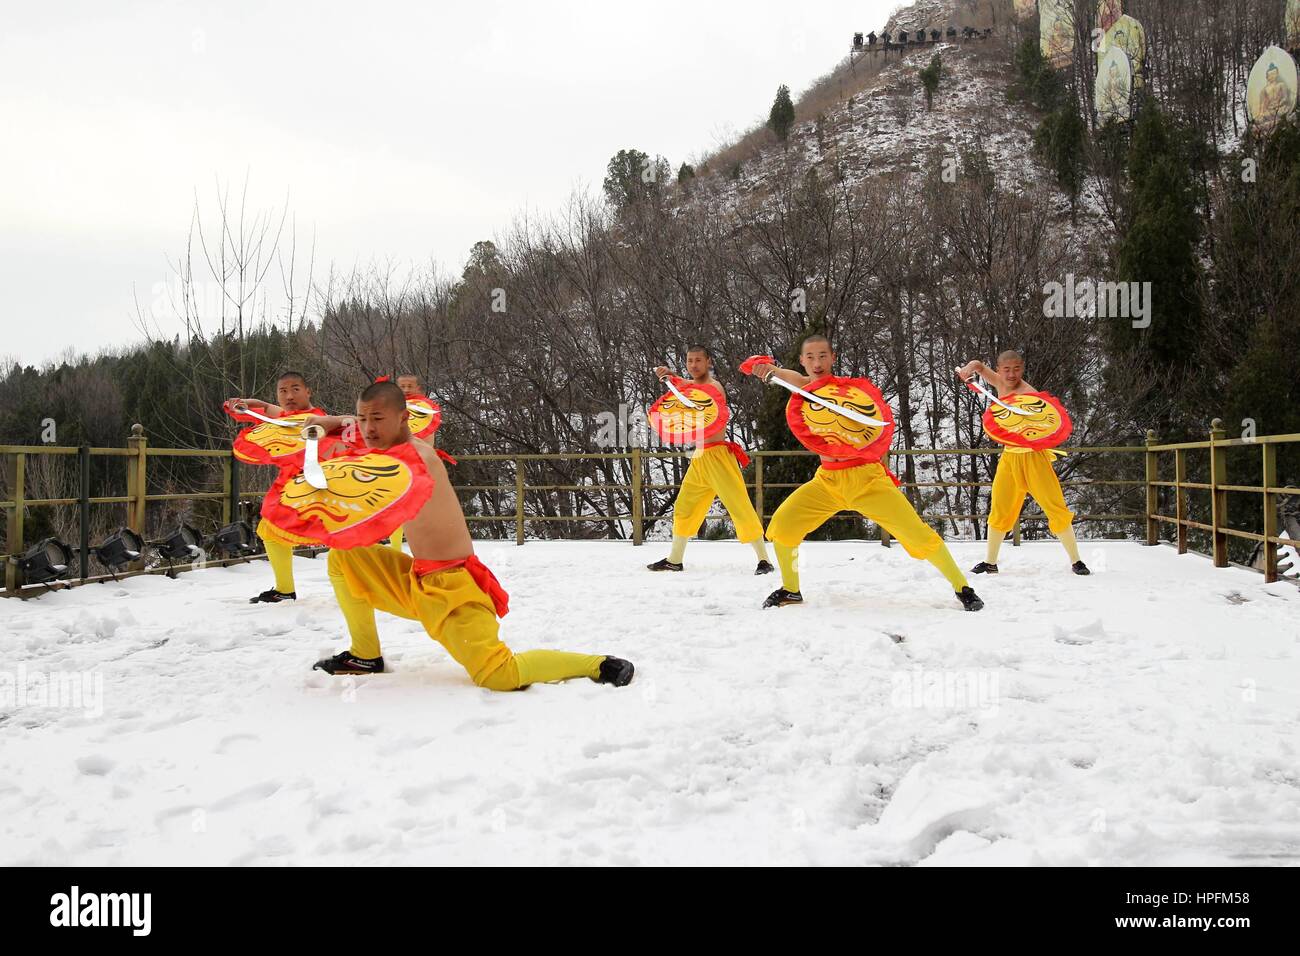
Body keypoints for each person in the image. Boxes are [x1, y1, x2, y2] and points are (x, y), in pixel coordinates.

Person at [304, 380, 634, 688]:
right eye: (363, 419)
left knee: (500, 675)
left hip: (452, 588)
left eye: (376, 418)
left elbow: (367, 488)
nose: (368, 428)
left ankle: (598, 664)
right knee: (343, 558)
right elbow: (361, 431)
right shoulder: (390, 441)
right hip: (416, 581)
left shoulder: (413, 457)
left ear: (403, 418)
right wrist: (335, 422)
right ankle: (365, 655)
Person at [750, 336, 984, 611]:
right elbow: (785, 375)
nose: (817, 362)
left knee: (917, 534)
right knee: (784, 526)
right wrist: (768, 369)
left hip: (867, 478)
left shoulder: (847, 392)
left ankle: (962, 587)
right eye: (810, 357)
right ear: (802, 361)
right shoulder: (804, 388)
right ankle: (790, 589)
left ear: (833, 357)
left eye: (823, 355)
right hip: (827, 481)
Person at [956, 351, 1090, 576]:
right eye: (1006, 369)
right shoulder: (999, 382)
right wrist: (969, 369)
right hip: (1010, 457)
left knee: (1055, 506)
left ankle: (1077, 561)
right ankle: (990, 562)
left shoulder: (1030, 394)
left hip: (1033, 457)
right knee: (1000, 507)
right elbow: (979, 365)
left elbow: (1043, 426)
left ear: (1022, 368)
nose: (1011, 374)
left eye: (1016, 369)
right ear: (999, 370)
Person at [647, 345, 774, 575]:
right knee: (685, 506)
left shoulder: (713, 387)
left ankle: (764, 559)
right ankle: (675, 559)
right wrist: (669, 377)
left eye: (698, 360)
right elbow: (686, 386)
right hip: (699, 456)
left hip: (718, 456)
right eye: (689, 361)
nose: (693, 365)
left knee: (739, 506)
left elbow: (696, 391)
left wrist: (676, 381)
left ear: (708, 362)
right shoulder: (691, 386)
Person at [225, 371, 326, 604]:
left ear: (308, 391)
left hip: (316, 482)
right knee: (270, 530)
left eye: (295, 389)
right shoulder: (284, 416)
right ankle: (285, 589)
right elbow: (261, 407)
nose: (289, 395)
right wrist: (243, 403)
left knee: (343, 536)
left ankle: (368, 583)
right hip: (289, 484)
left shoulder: (316, 418)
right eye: (283, 391)